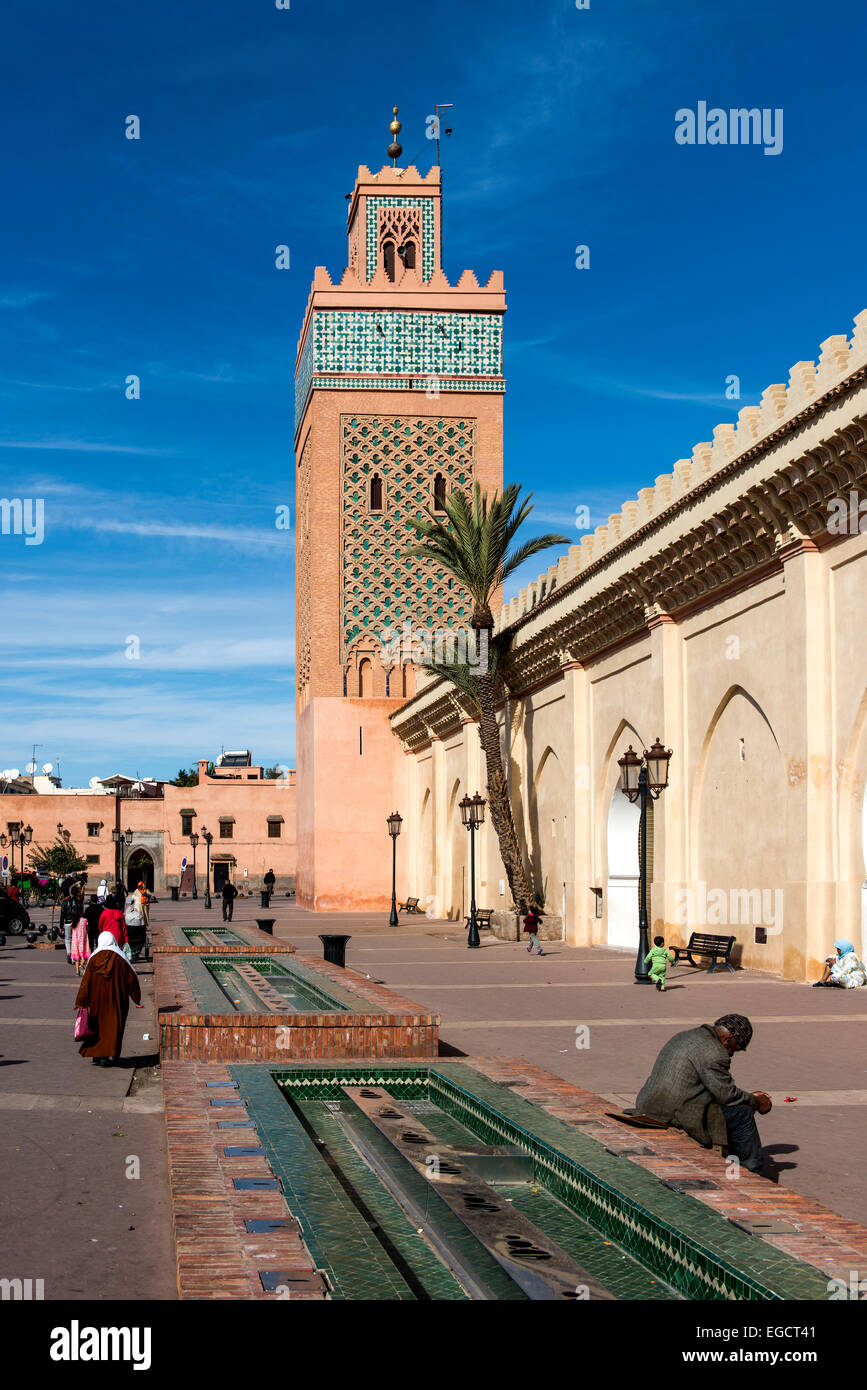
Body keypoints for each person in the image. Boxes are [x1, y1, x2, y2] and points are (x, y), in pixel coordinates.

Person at [632, 1014, 772, 1174]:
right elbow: (726, 1095)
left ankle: (732, 1163)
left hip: (649, 1104)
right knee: (742, 1114)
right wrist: (754, 1100)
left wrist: (746, 1096)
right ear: (729, 1039)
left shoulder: (687, 1035)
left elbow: (717, 1087)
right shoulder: (716, 1053)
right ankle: (753, 1173)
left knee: (731, 1107)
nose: (732, 1054)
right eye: (735, 1048)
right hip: (675, 1113)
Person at [74, 930, 142, 1067]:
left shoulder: (94, 958)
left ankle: (98, 1054)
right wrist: (136, 997)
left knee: (97, 1026)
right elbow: (132, 979)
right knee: (113, 1027)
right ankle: (107, 1055)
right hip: (117, 1000)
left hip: (96, 1001)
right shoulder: (120, 958)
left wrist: (81, 1001)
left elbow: (86, 982)